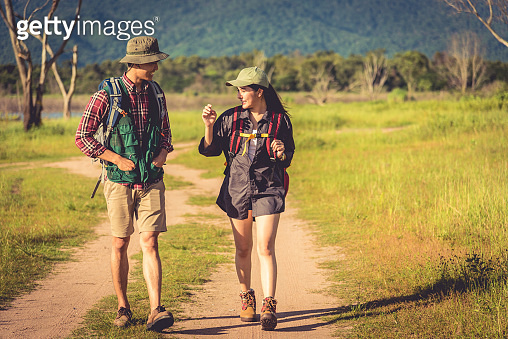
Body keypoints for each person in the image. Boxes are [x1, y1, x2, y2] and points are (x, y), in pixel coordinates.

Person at [75, 36, 174, 332]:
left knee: (150, 241)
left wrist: (161, 154)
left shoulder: (157, 92)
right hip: (118, 181)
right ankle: (123, 307)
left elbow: (166, 133)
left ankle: (156, 309)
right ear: (136, 63)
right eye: (152, 62)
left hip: (151, 180)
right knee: (120, 242)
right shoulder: (107, 94)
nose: (156, 67)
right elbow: (83, 136)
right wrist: (115, 159)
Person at [199, 66, 295, 331]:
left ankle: (269, 304)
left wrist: (281, 150)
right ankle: (247, 298)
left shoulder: (279, 120)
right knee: (243, 248)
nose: (239, 95)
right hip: (237, 188)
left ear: (259, 91)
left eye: (244, 89)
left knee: (265, 247)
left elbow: (288, 156)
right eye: (238, 90)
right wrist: (209, 126)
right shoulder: (229, 118)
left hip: (268, 186)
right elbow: (210, 150)